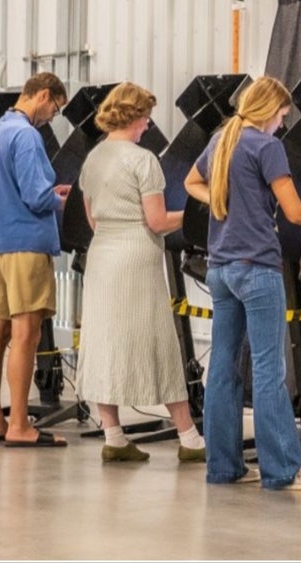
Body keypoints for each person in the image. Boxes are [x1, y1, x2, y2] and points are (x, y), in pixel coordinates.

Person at [184, 75, 301, 491]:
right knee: (269, 369)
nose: (282, 125)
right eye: (282, 116)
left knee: (223, 369)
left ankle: (224, 467)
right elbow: (295, 212)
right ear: (270, 110)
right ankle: (283, 470)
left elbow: (189, 183)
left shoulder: (221, 141)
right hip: (257, 268)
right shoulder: (268, 147)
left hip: (220, 269)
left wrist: (222, 197)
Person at [74, 82, 206, 463]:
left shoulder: (93, 159)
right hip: (137, 257)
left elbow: (92, 218)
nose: (149, 125)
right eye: (147, 116)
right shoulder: (143, 160)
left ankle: (114, 436)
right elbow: (158, 221)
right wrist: (199, 214)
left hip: (102, 257)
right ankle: (190, 439)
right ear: (135, 116)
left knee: (103, 341)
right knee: (159, 342)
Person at [0, 71, 72, 448]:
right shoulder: (27, 135)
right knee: (26, 334)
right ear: (43, 94)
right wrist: (60, 199)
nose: (51, 117)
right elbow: (34, 196)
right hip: (25, 242)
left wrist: (48, 191)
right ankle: (19, 424)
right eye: (54, 107)